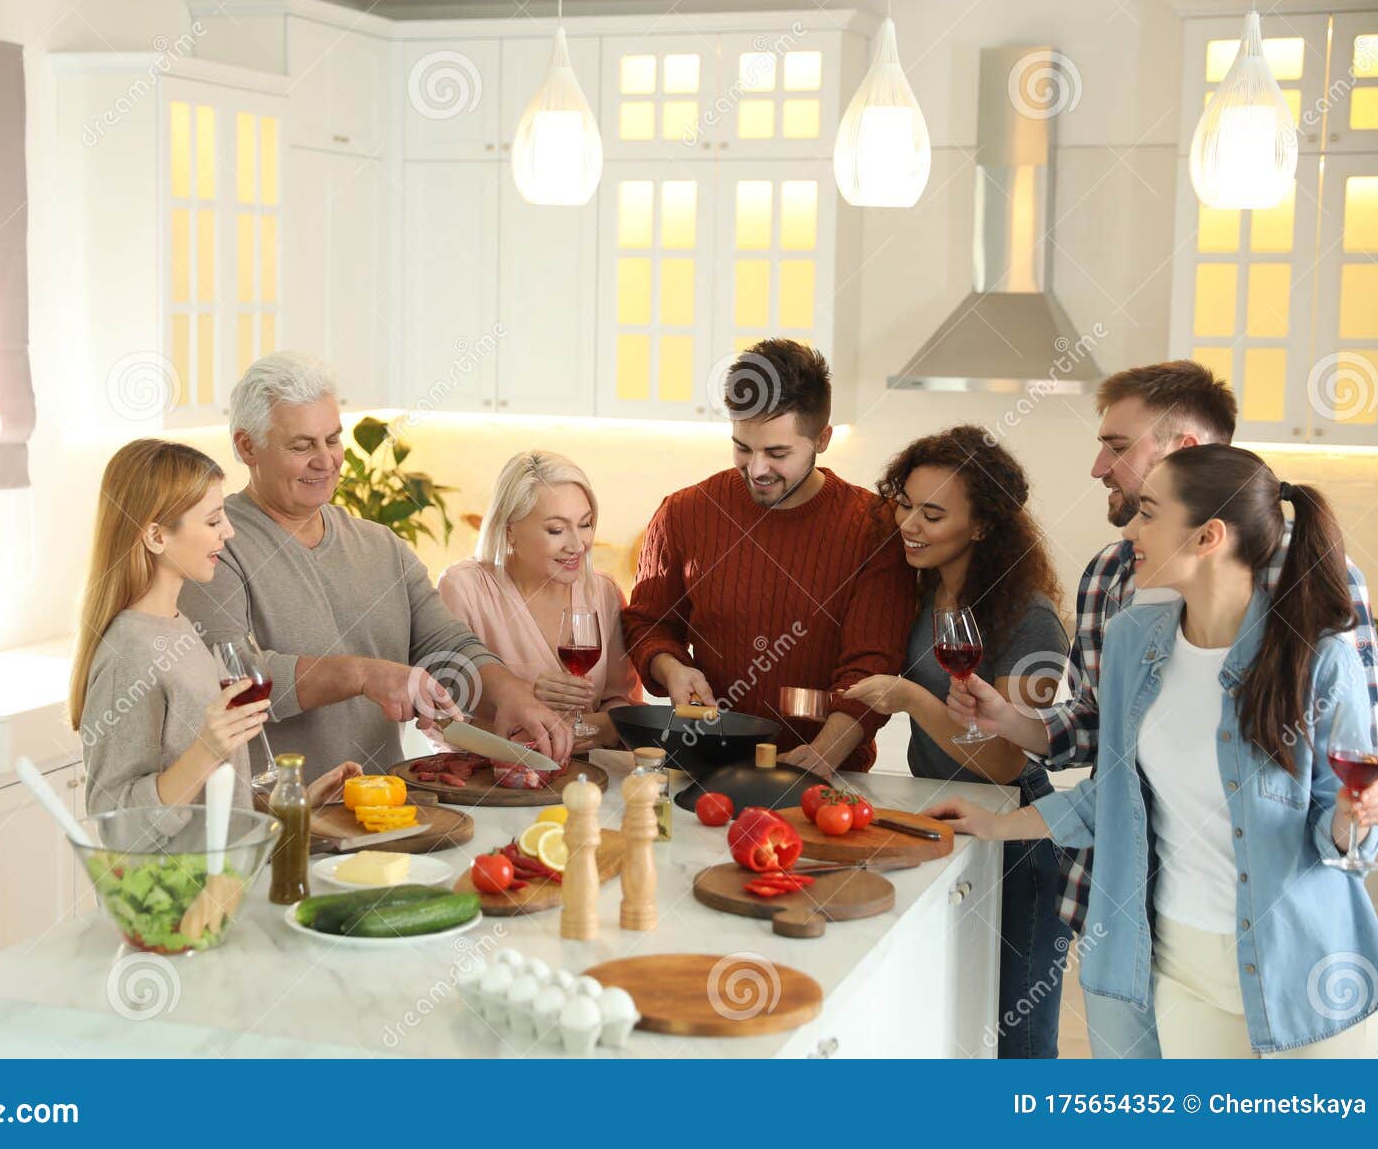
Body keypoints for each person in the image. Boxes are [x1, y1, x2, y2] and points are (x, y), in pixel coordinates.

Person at [948, 360, 1378, 1059]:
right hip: (1150, 938)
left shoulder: (1313, 619)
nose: (1102, 470)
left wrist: (1354, 820)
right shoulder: (1124, 615)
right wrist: (1002, 768)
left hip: (1294, 958)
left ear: (1206, 526)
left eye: (1119, 447)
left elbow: (1356, 793)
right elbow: (1111, 773)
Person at [179, 352, 570, 785]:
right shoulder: (217, 547)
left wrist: (508, 691)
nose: (326, 461)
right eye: (302, 445)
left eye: (332, 439)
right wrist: (363, 675)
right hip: (279, 812)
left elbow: (445, 640)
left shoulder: (380, 545)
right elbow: (230, 682)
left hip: (385, 806)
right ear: (246, 446)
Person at [841, 426, 1072, 1058]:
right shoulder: (920, 589)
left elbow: (1001, 762)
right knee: (946, 1026)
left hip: (1015, 833)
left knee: (1017, 1041)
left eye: (933, 513)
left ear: (981, 527)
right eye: (904, 503)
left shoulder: (1030, 619)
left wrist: (914, 699)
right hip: (938, 818)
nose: (909, 524)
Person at [622, 339, 915, 776]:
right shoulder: (685, 513)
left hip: (828, 775)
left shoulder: (873, 528)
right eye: (743, 447)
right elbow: (648, 622)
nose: (757, 469)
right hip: (704, 766)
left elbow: (872, 665)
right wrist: (671, 668)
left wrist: (821, 757)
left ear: (822, 438)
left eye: (777, 454)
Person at [70, 440, 360, 828]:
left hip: (226, 882)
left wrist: (298, 804)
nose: (228, 531)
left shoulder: (178, 626)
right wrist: (207, 749)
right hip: (179, 890)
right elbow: (117, 825)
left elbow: (207, 808)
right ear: (156, 536)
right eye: (212, 521)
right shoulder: (128, 651)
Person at [433, 451, 641, 752]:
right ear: (510, 530)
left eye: (585, 524)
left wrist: (576, 732)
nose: (577, 545)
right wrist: (523, 707)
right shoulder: (463, 587)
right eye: (556, 530)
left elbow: (625, 709)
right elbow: (441, 717)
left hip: (588, 782)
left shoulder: (604, 591)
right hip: (489, 785)